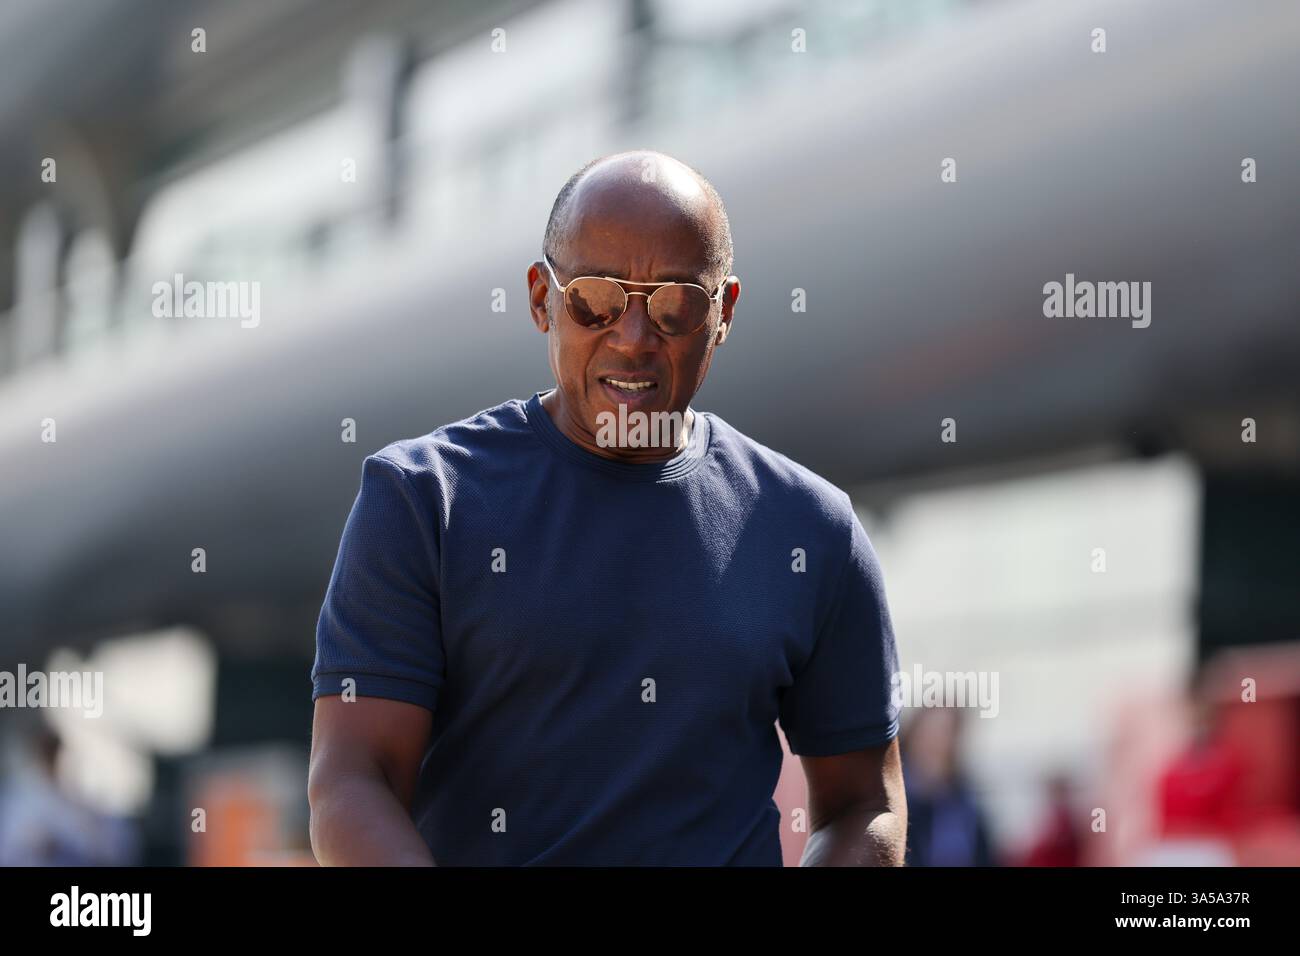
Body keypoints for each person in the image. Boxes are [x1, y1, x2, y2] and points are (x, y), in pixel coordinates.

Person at [307, 150, 904, 866]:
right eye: (595, 299)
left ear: (724, 314)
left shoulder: (812, 530)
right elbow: (352, 781)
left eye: (675, 303)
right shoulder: (422, 501)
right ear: (541, 299)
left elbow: (865, 804)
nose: (633, 338)